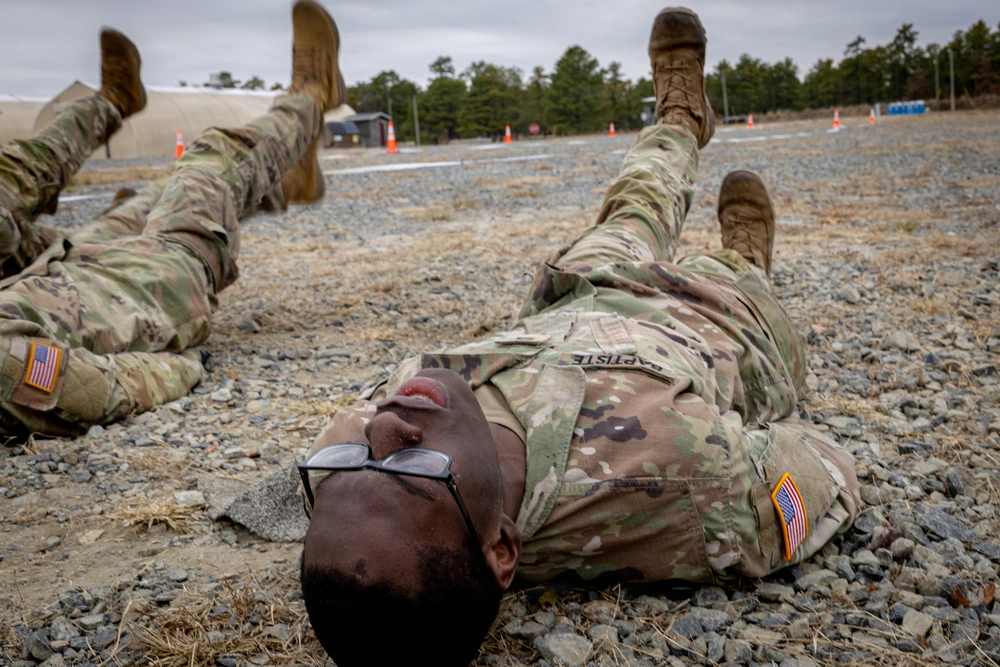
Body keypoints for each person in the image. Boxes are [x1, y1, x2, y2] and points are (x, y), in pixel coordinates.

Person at [297, 6, 861, 667]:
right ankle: (745, 259)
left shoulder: (363, 456)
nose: (383, 431)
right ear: (502, 548)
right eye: (412, 471)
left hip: (579, 292)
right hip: (715, 323)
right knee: (737, 285)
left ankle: (681, 118)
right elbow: (821, 469)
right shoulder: (681, 484)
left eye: (349, 465)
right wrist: (757, 383)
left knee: (636, 201)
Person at [0, 1, 342, 436]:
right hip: (152, 289)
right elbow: (105, 390)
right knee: (208, 161)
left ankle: (285, 182)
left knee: (157, 197)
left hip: (71, 265)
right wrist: (179, 363)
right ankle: (312, 96)